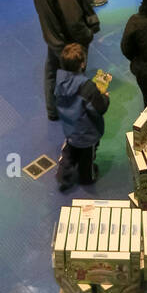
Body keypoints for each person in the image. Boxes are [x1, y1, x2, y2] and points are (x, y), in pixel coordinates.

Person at [32, 0, 100, 122]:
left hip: (51, 31)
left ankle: (52, 110)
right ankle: (74, 112)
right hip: (66, 41)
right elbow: (75, 23)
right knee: (73, 78)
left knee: (51, 70)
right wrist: (87, 36)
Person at [54, 43, 109, 190]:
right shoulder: (87, 87)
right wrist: (104, 97)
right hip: (87, 133)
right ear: (82, 64)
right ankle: (87, 177)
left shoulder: (59, 81)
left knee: (69, 152)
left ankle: (63, 174)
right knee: (87, 158)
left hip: (70, 129)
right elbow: (100, 108)